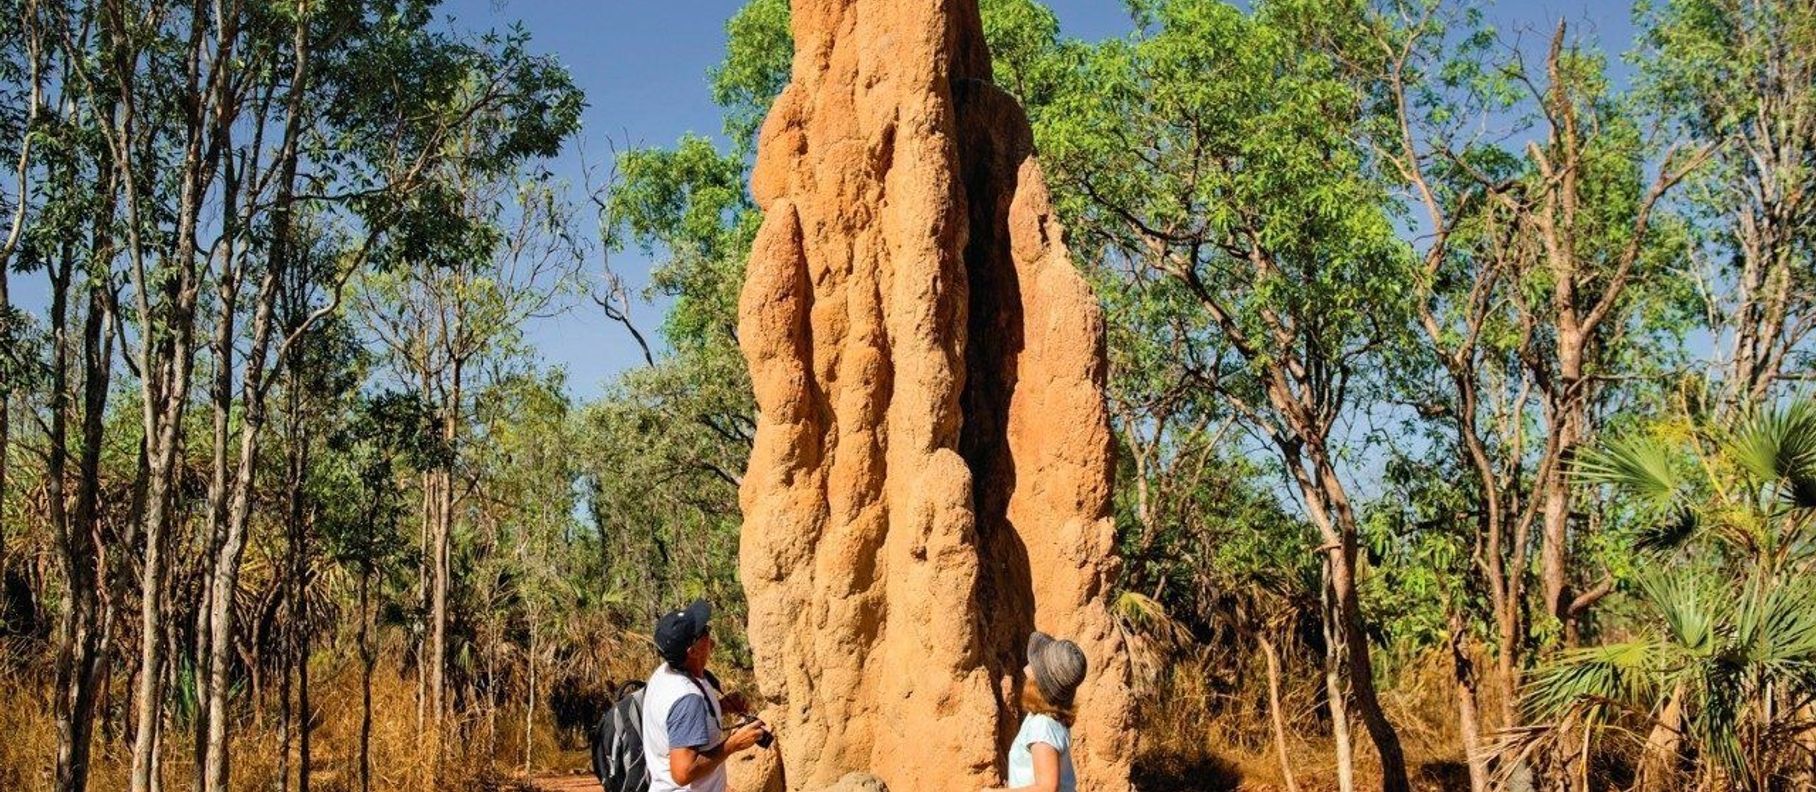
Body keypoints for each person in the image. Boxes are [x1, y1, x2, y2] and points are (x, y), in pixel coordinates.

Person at [641, 599, 769, 792]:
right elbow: (682, 773)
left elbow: (677, 724)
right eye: (705, 631)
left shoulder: (665, 673)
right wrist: (733, 744)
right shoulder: (687, 698)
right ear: (692, 651)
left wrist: (720, 707)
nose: (710, 631)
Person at [987, 631, 1086, 792]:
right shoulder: (1050, 720)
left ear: (1038, 683)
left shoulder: (1043, 726)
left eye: (1035, 664)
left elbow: (1047, 788)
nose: (1026, 668)